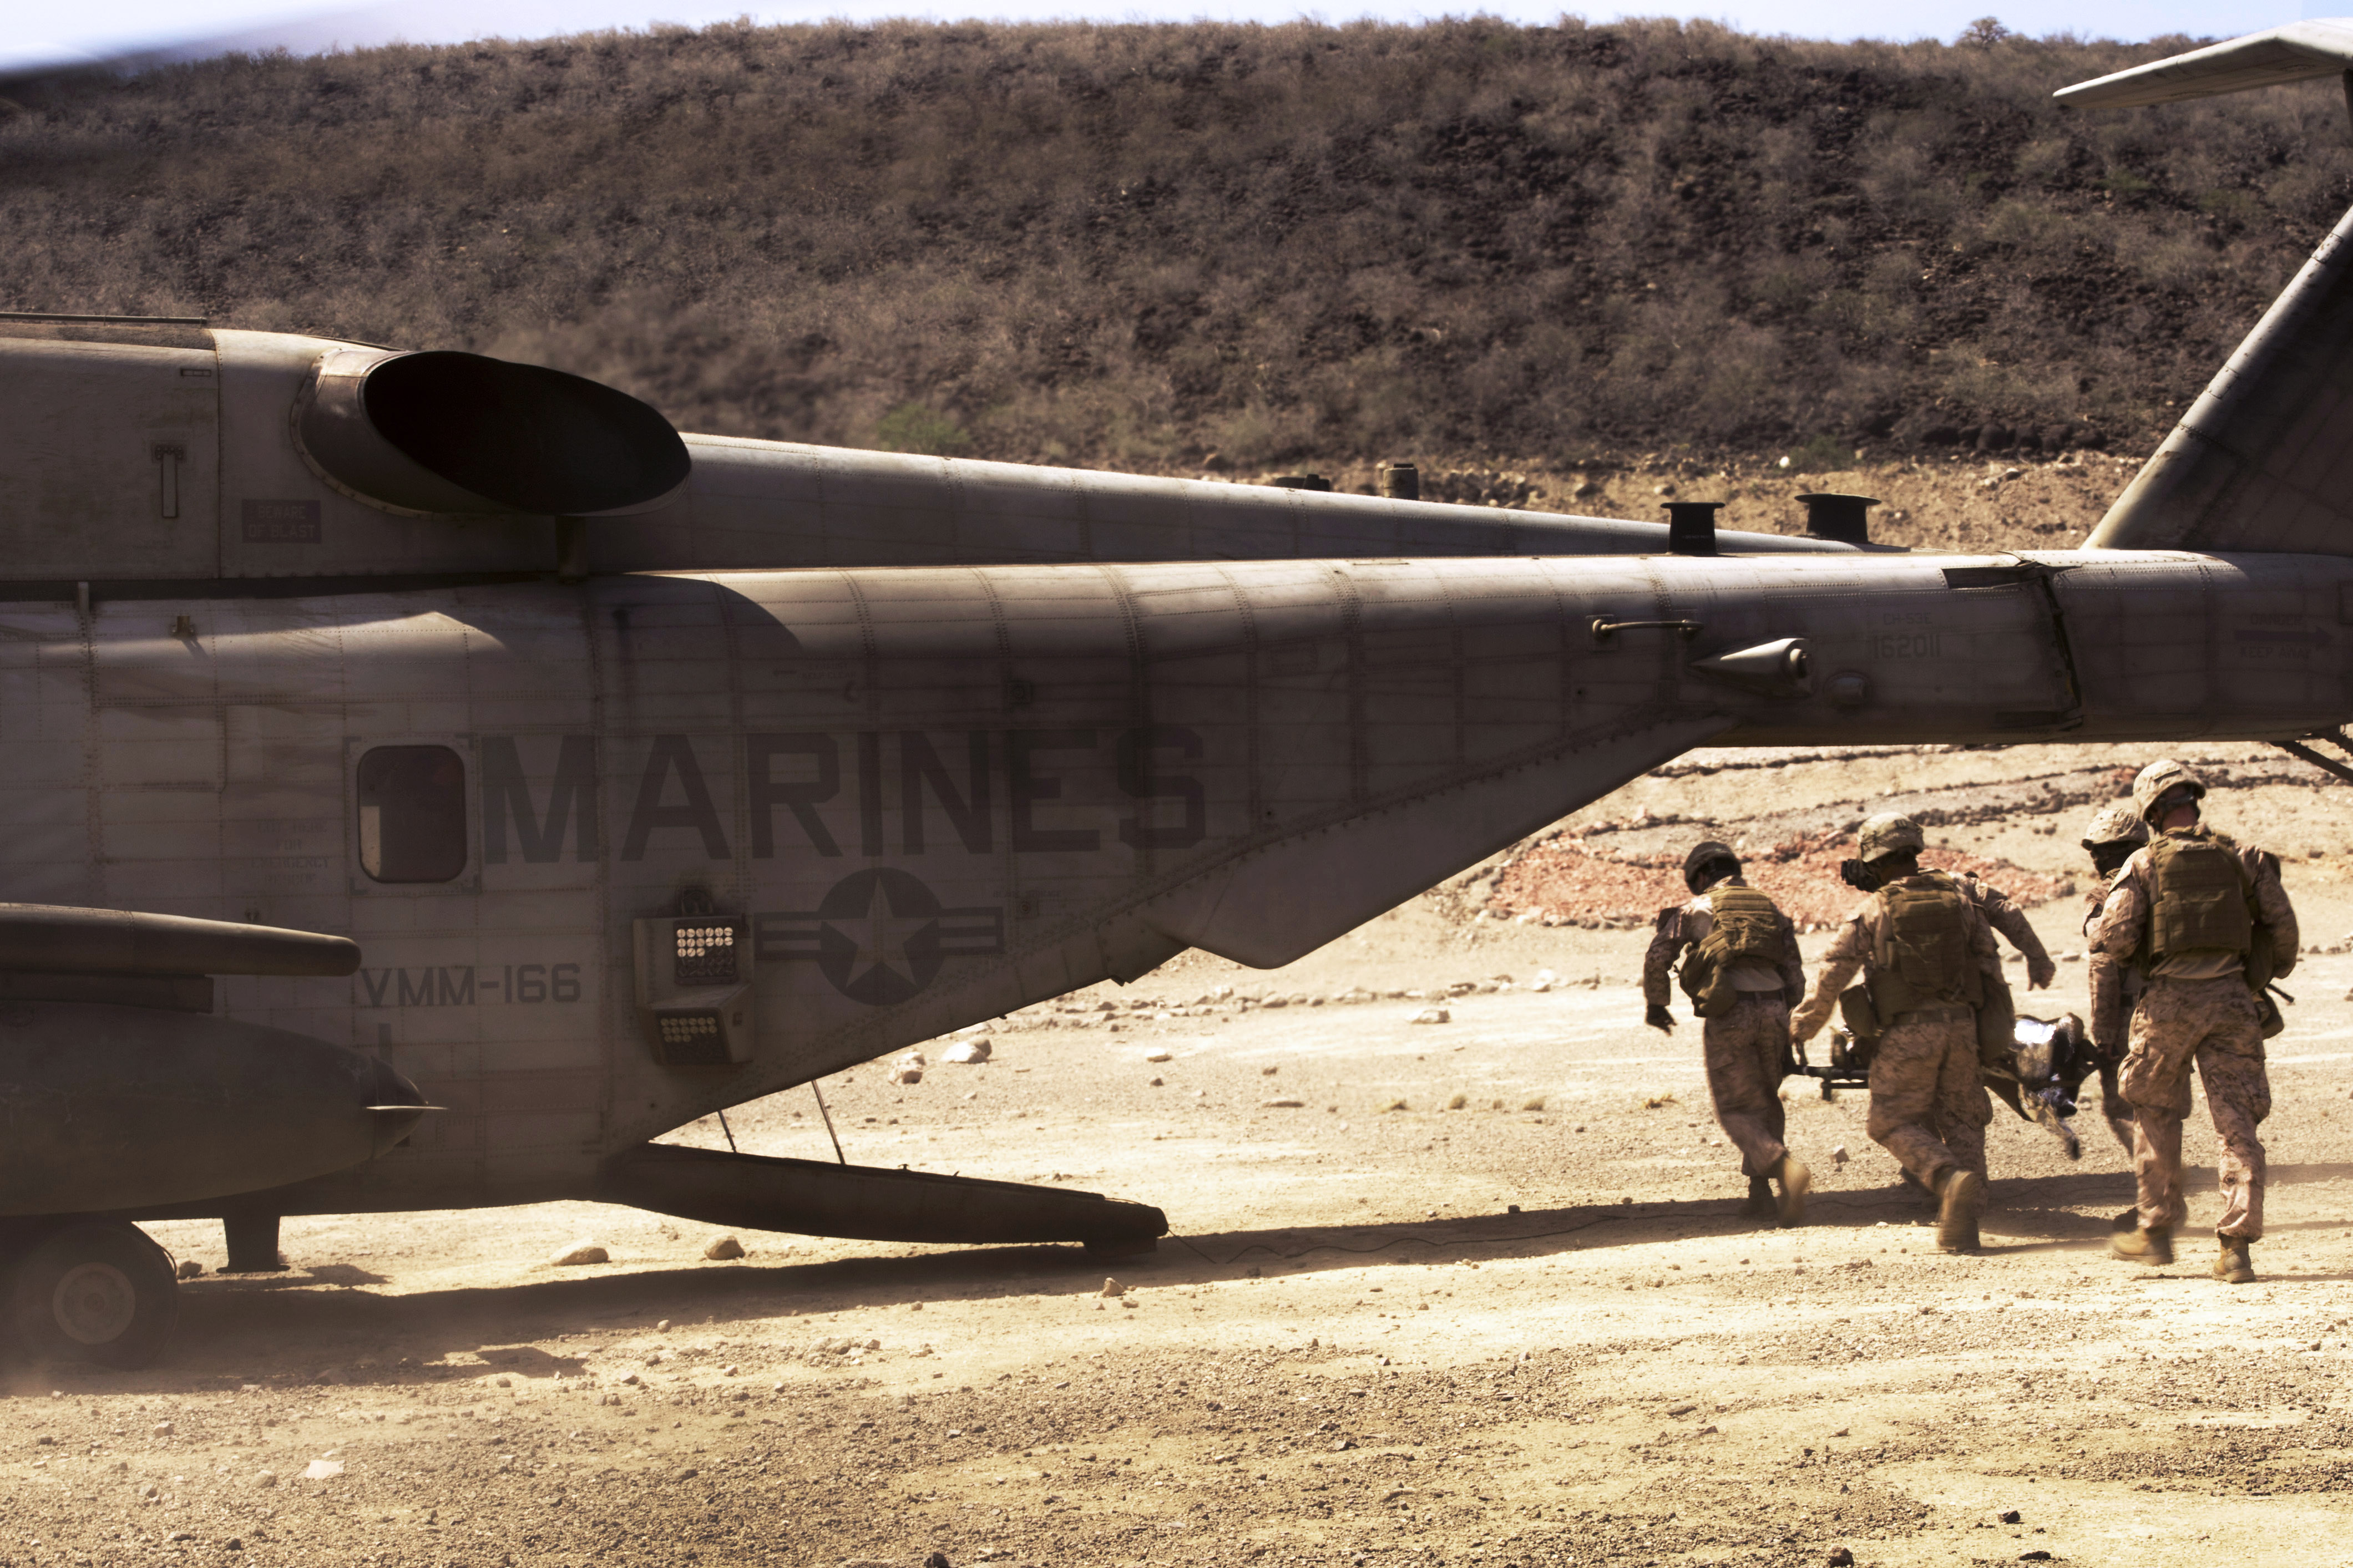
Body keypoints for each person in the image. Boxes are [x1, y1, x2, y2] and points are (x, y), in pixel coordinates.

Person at [2089, 760, 2297, 1283]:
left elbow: (2115, 938)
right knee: (2237, 1123)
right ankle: (2236, 1247)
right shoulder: (2242, 856)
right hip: (2232, 1002)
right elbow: (2284, 933)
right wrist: (2252, 975)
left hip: (2168, 1005)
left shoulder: (2142, 862)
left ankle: (2156, 1231)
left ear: (2150, 812)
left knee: (2154, 1111)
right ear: (2194, 800)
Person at [1792, 813, 2004, 1252]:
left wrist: (1803, 1025)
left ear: (1872, 860)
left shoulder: (1874, 907)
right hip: (1962, 1027)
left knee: (1888, 1121)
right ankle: (1963, 1226)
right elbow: (1988, 961)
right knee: (1963, 1120)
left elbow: (1833, 971)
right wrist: (1989, 1026)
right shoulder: (1959, 900)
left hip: (1909, 1032)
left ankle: (1946, 1176)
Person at [1642, 840, 1811, 1224]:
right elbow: (1794, 973)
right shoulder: (1769, 907)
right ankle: (1760, 1194)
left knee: (1735, 1106)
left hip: (1730, 1012)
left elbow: (1658, 956)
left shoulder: (1698, 908)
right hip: (1774, 1010)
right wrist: (1788, 1019)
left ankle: (1783, 1167)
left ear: (1702, 875)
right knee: (1765, 1100)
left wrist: (1657, 1004)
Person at [2080, 803, 2150, 1158]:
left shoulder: (2105, 896)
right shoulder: (2165, 883)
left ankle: (2160, 1177)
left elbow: (2104, 968)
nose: (2095, 859)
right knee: (2161, 1102)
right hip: (2179, 1005)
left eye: (2100, 851)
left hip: (2131, 1017)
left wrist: (2104, 1034)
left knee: (2120, 1104)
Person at [1955, 870, 2057, 991]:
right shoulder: (1960, 883)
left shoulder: (1957, 885)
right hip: (1977, 980)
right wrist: (2039, 959)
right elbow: (2008, 913)